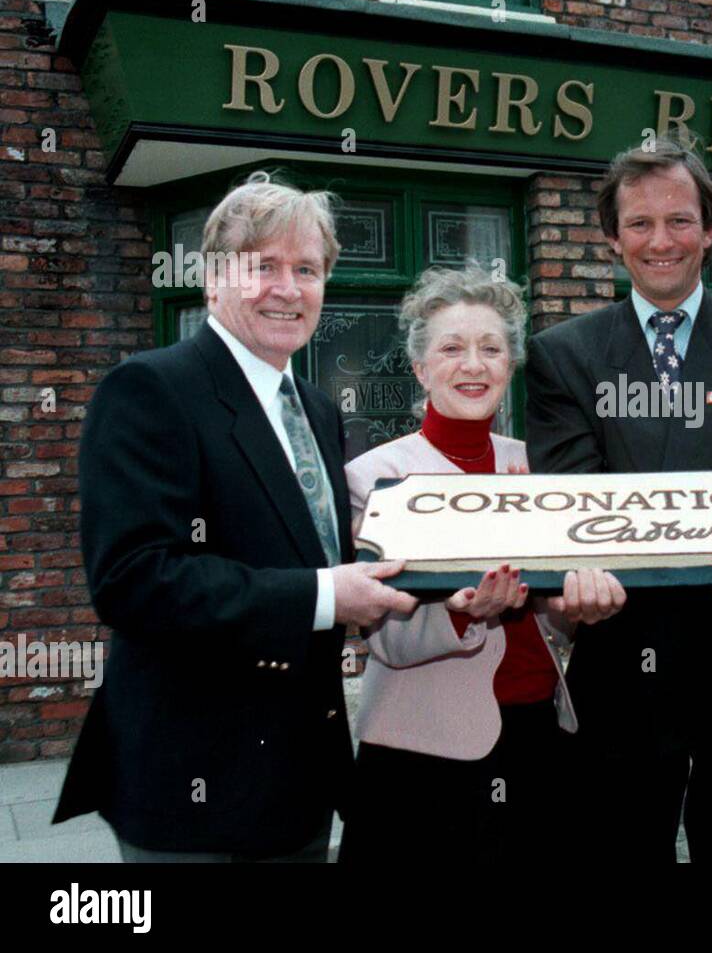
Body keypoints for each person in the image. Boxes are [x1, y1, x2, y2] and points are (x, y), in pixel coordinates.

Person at [53, 171, 421, 861]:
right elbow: (134, 580)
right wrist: (325, 595)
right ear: (213, 278)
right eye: (264, 266)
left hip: (300, 778)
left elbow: (319, 554)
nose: (288, 287)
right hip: (196, 786)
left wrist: (414, 584)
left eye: (306, 269)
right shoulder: (151, 389)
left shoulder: (314, 407)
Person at [524, 134, 712, 863]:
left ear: (710, 231)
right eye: (640, 224)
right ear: (613, 238)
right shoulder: (564, 355)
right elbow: (575, 510)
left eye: (680, 220)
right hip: (621, 662)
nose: (662, 241)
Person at [339, 266, 623, 865]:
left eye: (491, 348)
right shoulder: (376, 480)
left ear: (510, 365)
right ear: (420, 368)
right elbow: (385, 635)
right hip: (422, 757)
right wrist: (463, 616)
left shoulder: (539, 468)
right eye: (452, 348)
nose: (474, 365)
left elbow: (554, 612)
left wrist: (576, 605)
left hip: (538, 739)